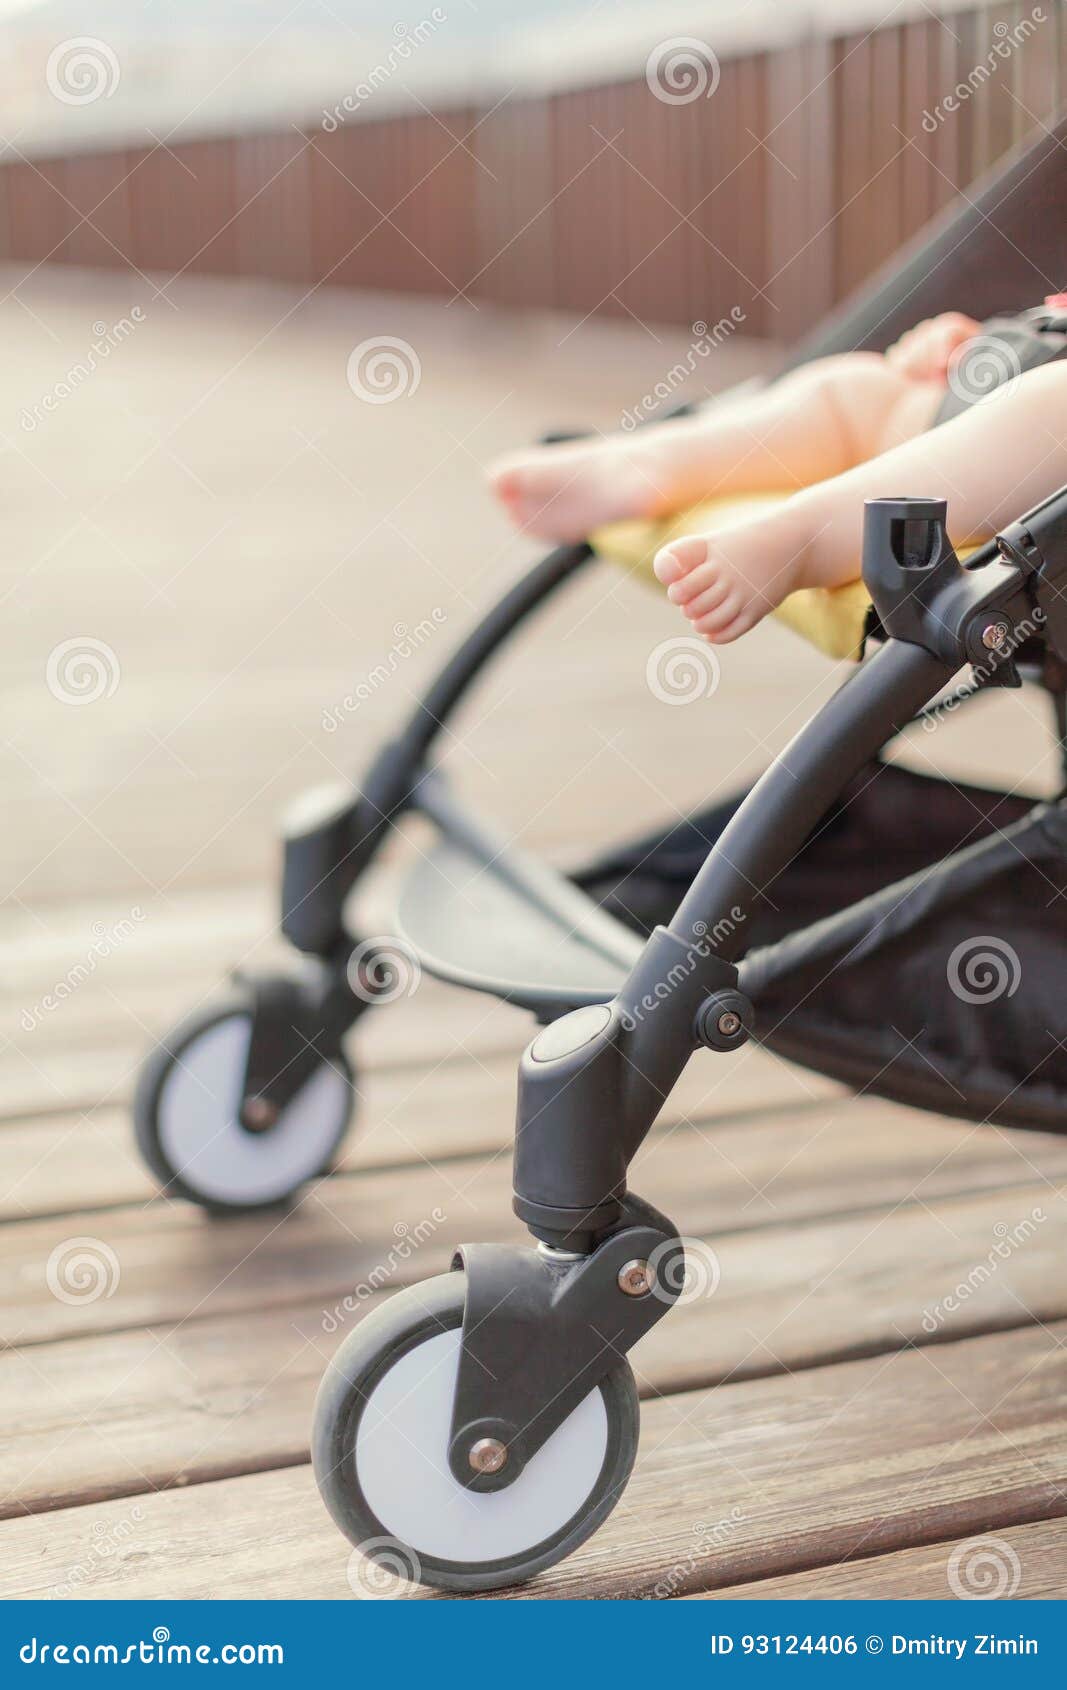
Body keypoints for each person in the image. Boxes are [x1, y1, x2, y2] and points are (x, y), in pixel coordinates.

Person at [488, 312, 1067, 644]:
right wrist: (964, 345)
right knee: (855, 392)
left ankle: (805, 541)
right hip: (991, 391)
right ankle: (646, 465)